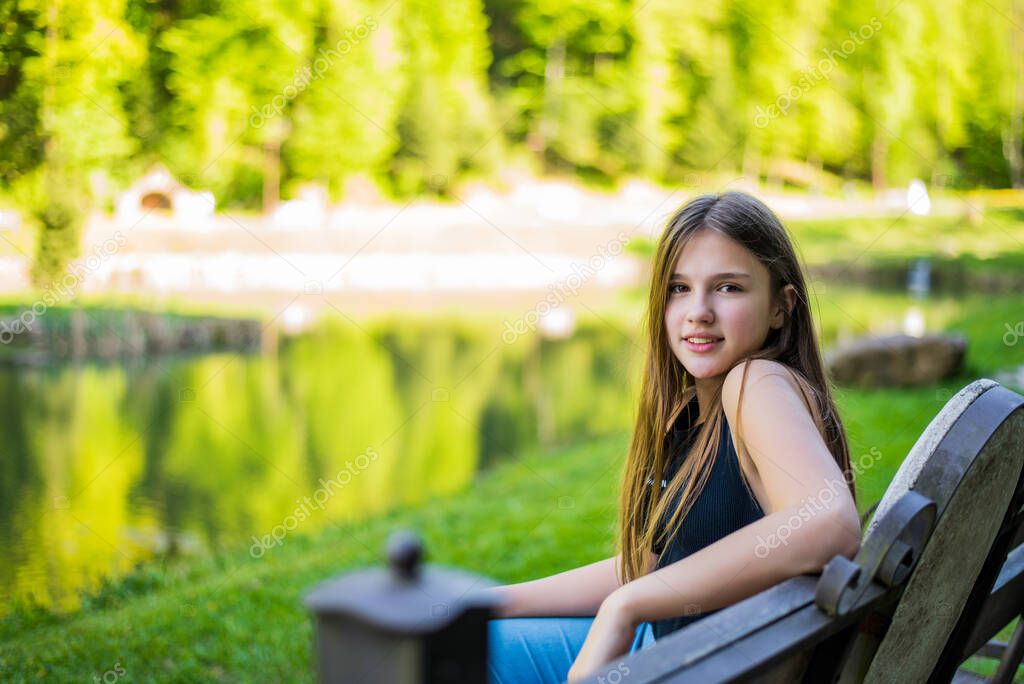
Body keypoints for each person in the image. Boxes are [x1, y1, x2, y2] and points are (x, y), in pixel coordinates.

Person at [485, 191, 862, 683]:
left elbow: (830, 523)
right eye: (679, 288)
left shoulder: (757, 385)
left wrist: (628, 606)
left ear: (780, 307)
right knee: (456, 640)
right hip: (667, 647)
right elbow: (652, 566)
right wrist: (498, 601)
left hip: (694, 665)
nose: (698, 311)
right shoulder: (693, 413)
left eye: (728, 288)